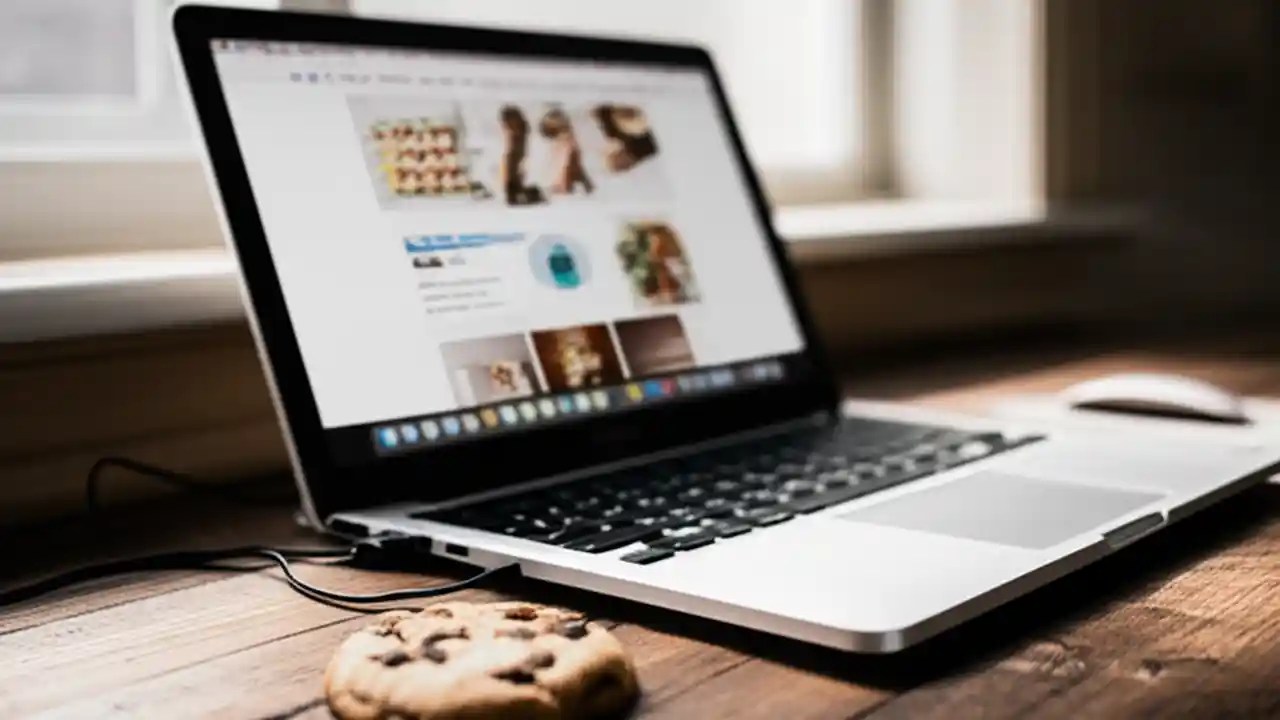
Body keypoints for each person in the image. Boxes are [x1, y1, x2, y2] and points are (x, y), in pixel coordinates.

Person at [539, 107, 594, 195]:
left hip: (565, 184)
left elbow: (569, 167)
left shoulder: (569, 146)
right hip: (562, 183)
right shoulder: (559, 146)